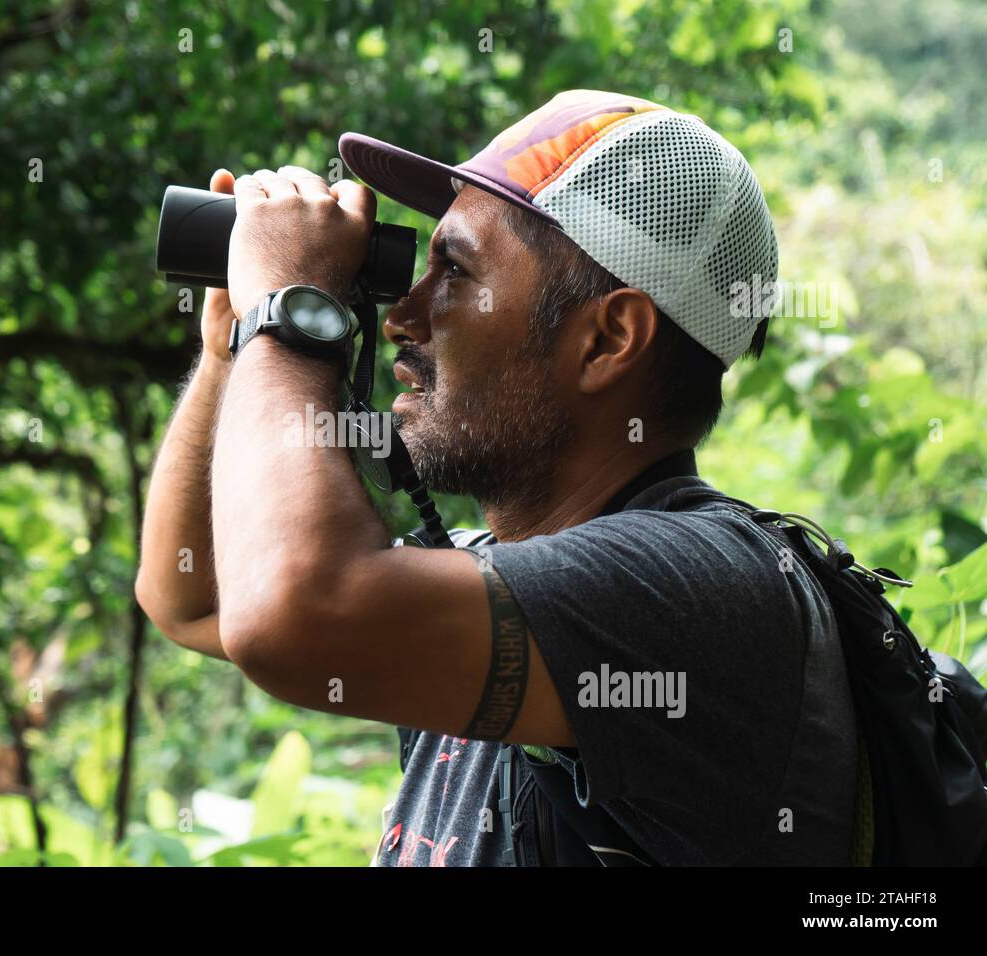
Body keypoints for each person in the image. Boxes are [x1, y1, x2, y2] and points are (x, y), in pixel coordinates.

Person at [135, 89, 858, 866]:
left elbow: (292, 614)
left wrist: (289, 314)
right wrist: (234, 346)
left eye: (453, 269)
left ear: (607, 340)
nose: (401, 317)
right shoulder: (491, 573)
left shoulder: (701, 585)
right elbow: (195, 595)